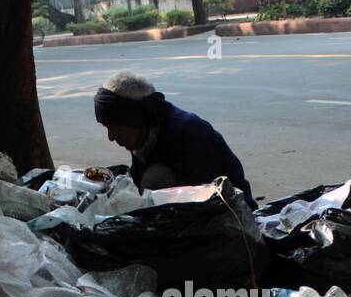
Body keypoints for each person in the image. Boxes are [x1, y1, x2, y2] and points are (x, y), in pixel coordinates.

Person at [93, 71, 253, 207]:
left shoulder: (186, 133)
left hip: (231, 212)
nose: (111, 137)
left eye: (115, 129)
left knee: (154, 178)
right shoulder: (146, 132)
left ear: (135, 120)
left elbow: (204, 201)